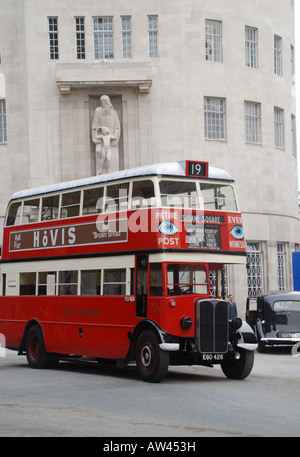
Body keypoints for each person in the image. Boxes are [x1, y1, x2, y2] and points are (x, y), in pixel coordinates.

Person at [92, 95, 121, 174]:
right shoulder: (98, 111)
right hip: (101, 139)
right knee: (98, 151)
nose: (103, 103)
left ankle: (108, 170)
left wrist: (116, 139)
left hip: (110, 139)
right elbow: (94, 125)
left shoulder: (113, 113)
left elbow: (117, 126)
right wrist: (94, 138)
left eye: (105, 101)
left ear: (108, 102)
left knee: (109, 158)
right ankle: (100, 169)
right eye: (102, 102)